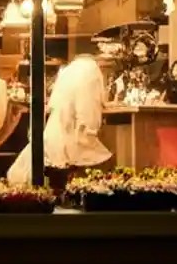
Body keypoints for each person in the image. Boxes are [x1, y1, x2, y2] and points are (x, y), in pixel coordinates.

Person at [6, 54, 113, 185]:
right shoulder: (90, 72)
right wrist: (91, 129)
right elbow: (88, 108)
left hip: (56, 130)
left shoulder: (70, 70)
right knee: (98, 159)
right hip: (71, 133)